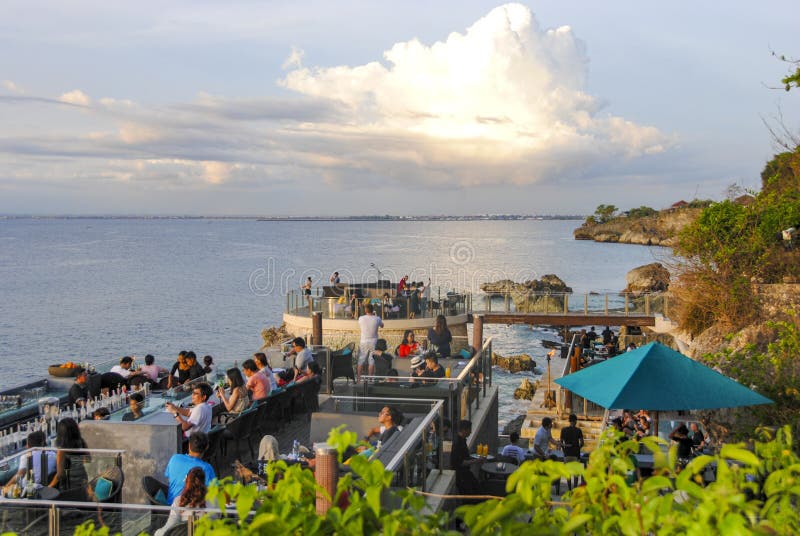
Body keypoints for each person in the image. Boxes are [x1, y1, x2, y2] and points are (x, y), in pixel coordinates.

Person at [163, 432, 216, 504]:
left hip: (170, 506)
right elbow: (215, 492)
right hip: (193, 508)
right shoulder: (207, 468)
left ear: (189, 445)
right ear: (207, 447)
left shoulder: (175, 458)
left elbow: (169, 478)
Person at [155, 466, 207, 536]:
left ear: (186, 482)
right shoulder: (215, 499)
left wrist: (158, 533)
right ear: (204, 482)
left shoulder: (179, 501)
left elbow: (170, 525)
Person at [48, 418, 88, 498]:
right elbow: (86, 462)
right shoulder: (82, 443)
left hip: (70, 489)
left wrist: (48, 487)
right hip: (84, 484)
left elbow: (60, 475)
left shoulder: (62, 450)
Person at [450, 419, 482, 494]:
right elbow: (460, 462)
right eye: (469, 430)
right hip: (461, 475)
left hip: (464, 473)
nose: (470, 432)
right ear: (464, 430)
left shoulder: (461, 440)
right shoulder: (458, 443)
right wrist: (476, 461)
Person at [357, 304, 384, 382]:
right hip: (373, 342)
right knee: (371, 361)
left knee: (361, 360)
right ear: (373, 310)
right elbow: (382, 325)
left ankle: (358, 380)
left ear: (365, 310)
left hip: (363, 341)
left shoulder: (361, 318)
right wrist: (376, 316)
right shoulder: (377, 318)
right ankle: (370, 380)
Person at [560, 414, 585, 480]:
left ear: (569, 421)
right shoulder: (578, 430)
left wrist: (564, 450)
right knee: (576, 474)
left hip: (567, 454)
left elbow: (561, 443)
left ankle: (570, 488)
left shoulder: (563, 430)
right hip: (576, 454)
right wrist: (578, 448)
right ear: (575, 421)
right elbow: (582, 443)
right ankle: (575, 488)